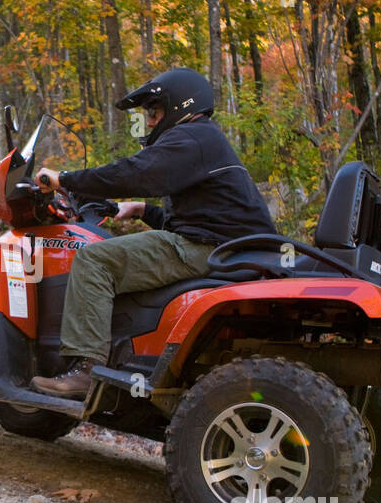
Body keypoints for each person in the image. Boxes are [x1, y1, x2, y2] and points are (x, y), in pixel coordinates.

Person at [30, 66, 275, 398]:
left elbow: (136, 173)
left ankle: (86, 371)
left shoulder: (190, 136)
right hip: (228, 247)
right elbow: (206, 215)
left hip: (210, 249)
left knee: (94, 260)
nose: (149, 121)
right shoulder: (204, 138)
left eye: (155, 112)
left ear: (180, 107)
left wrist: (66, 179)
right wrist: (143, 210)